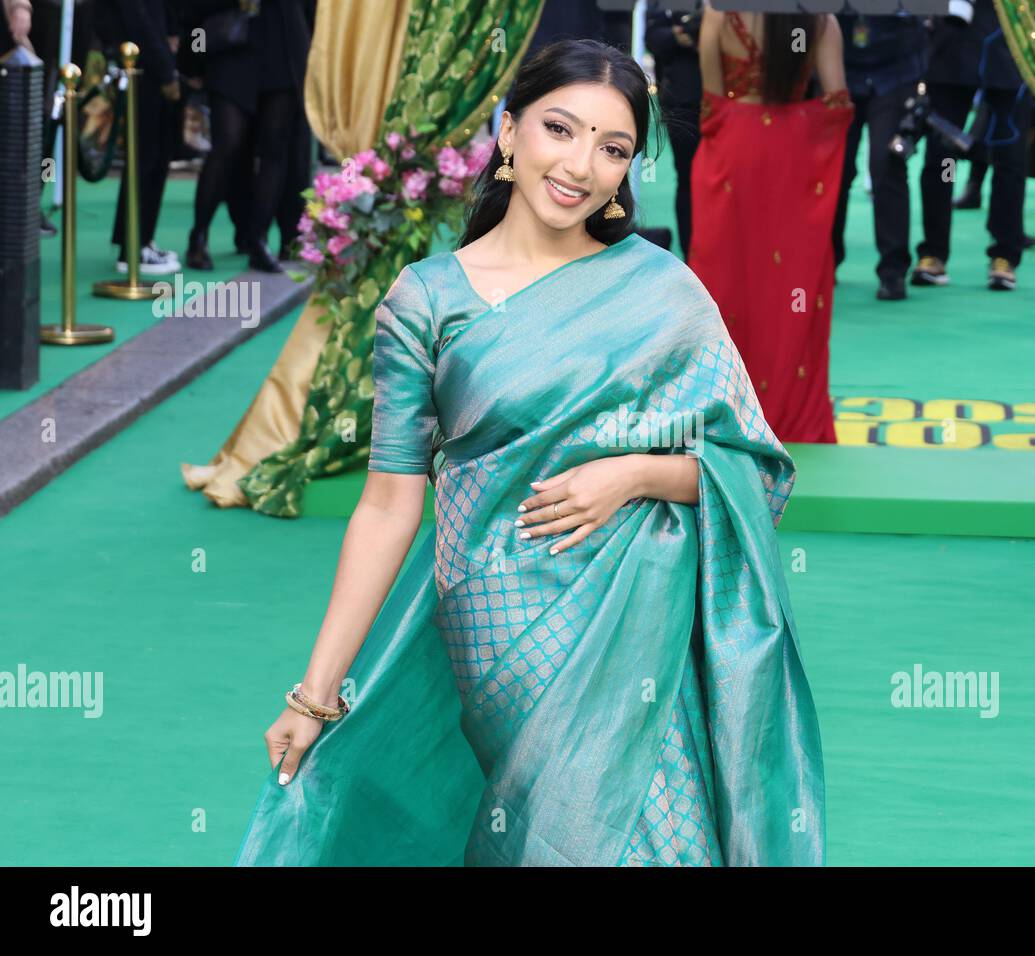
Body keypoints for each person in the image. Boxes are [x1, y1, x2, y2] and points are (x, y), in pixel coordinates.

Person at [233, 38, 826, 867]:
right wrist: (315, 692)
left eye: (613, 147)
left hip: (635, 630)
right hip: (494, 625)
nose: (581, 164)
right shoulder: (426, 300)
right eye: (560, 128)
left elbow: (756, 473)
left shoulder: (663, 292)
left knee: (653, 843)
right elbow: (389, 501)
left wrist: (633, 475)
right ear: (509, 134)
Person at [688, 7, 853, 445]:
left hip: (732, 153)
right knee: (792, 287)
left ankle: (721, 417)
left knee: (723, 283)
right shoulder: (820, 22)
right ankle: (791, 422)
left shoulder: (718, 15)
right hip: (794, 162)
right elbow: (837, 104)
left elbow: (712, 99)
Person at [183, 0, 310, 273]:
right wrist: (193, 58)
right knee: (227, 144)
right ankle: (198, 235)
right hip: (232, 48)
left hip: (283, 48)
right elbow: (192, 13)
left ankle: (258, 239)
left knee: (275, 151)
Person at [912, 0, 1029, 292]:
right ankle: (934, 252)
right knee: (942, 159)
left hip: (1010, 46)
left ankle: (1005, 255)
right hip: (951, 44)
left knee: (1009, 157)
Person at [829, 3, 928, 300]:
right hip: (839, 67)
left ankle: (893, 270)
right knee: (835, 169)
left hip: (896, 72)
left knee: (886, 166)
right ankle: (825, 261)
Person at [95, 0, 182, 275]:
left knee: (154, 156)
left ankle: (142, 238)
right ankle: (133, 245)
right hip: (142, 66)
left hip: (152, 61)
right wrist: (165, 67)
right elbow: (138, 19)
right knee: (144, 157)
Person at [645, 2, 703, 258]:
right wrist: (681, 37)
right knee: (688, 177)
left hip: (729, 102)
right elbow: (654, 38)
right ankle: (693, 253)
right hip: (682, 101)